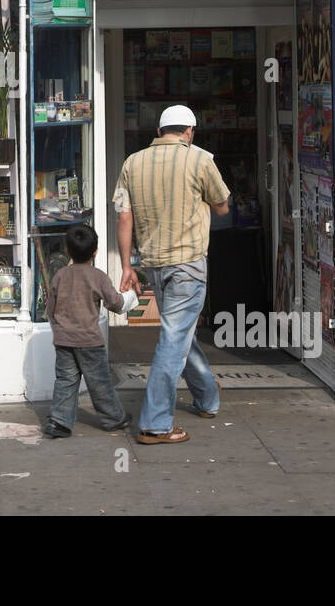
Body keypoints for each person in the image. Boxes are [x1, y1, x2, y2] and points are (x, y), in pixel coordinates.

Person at [113, 105, 230, 445]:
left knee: (179, 335)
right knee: (173, 340)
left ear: (160, 130)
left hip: (154, 264)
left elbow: (124, 218)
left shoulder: (132, 163)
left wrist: (126, 266)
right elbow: (222, 205)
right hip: (188, 265)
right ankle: (155, 424)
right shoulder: (199, 160)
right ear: (189, 131)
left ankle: (208, 397)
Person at [42, 223, 139, 439]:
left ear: (67, 251)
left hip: (64, 340)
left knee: (66, 380)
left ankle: (59, 421)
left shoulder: (59, 275)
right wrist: (131, 296)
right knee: (99, 381)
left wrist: (58, 330)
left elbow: (50, 309)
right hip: (89, 341)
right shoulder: (98, 276)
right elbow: (115, 304)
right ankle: (114, 418)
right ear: (95, 252)